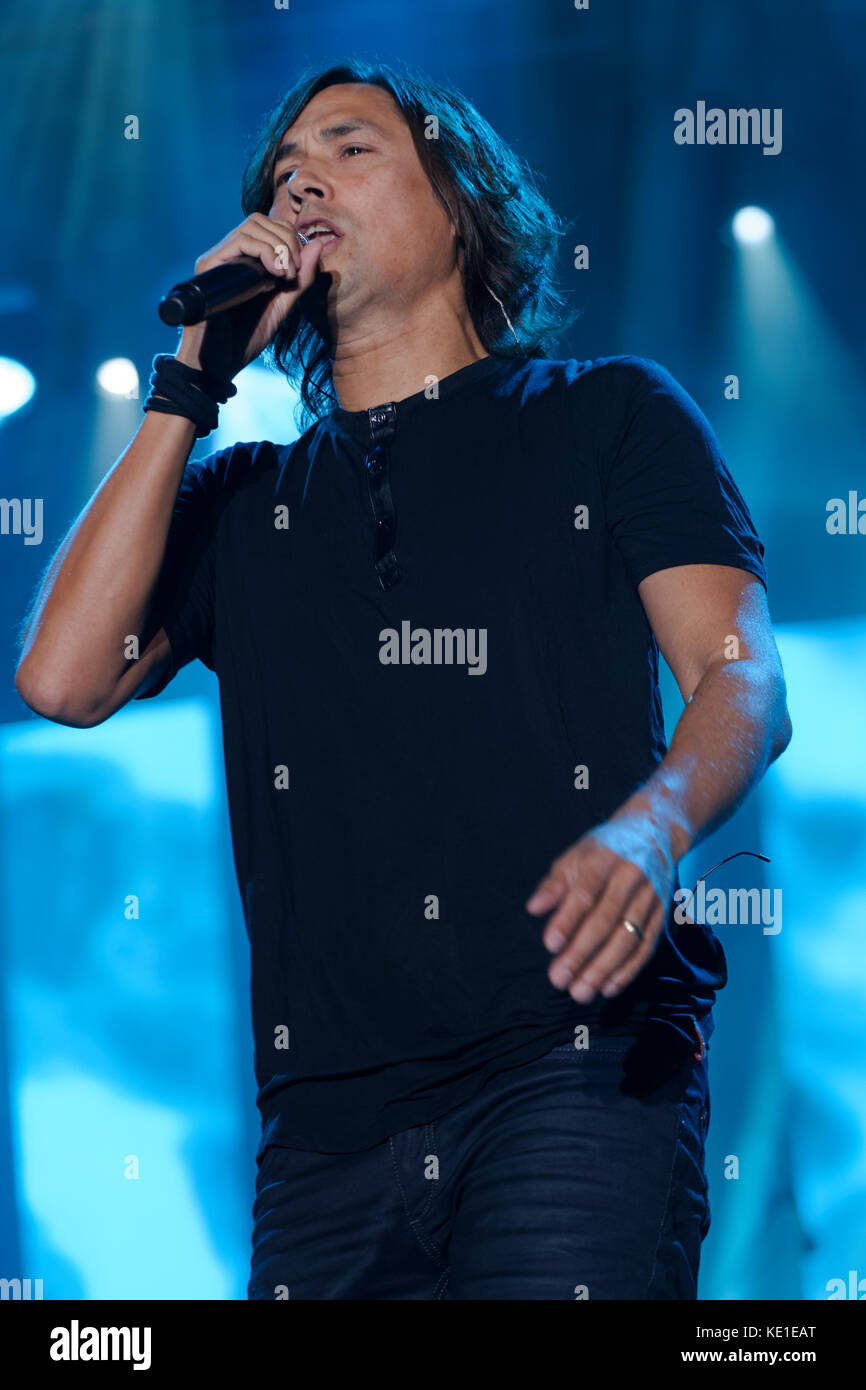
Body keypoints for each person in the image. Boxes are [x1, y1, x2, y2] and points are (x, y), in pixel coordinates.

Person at [15, 59, 792, 1300]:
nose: (302, 176)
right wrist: (187, 384)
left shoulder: (604, 414)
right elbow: (59, 679)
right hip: (322, 1132)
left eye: (350, 147)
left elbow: (740, 676)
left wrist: (650, 826)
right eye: (284, 169)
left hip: (568, 1063)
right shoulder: (242, 498)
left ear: (460, 201)